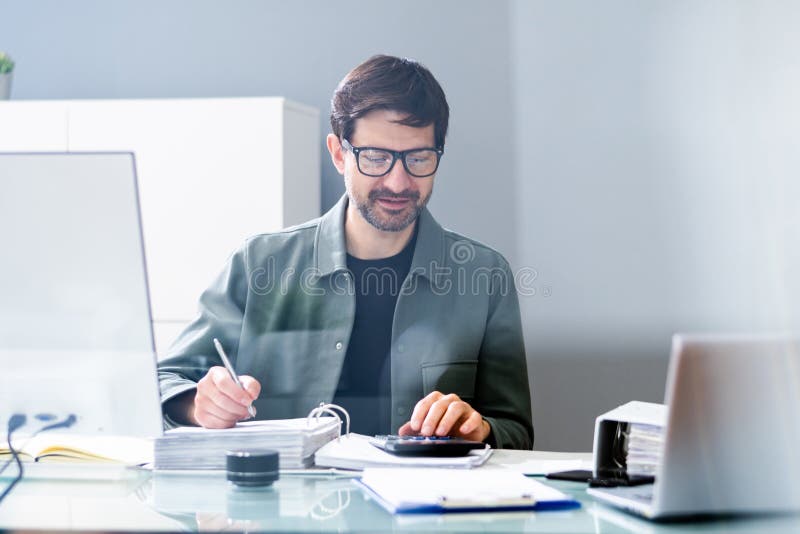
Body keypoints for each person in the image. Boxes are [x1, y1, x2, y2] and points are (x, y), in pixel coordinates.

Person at [158, 54, 533, 449]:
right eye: (376, 158)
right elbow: (165, 381)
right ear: (339, 154)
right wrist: (198, 405)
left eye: (419, 158)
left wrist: (480, 430)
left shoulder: (485, 275)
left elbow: (517, 432)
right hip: (284, 507)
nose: (398, 181)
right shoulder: (260, 263)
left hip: (424, 506)